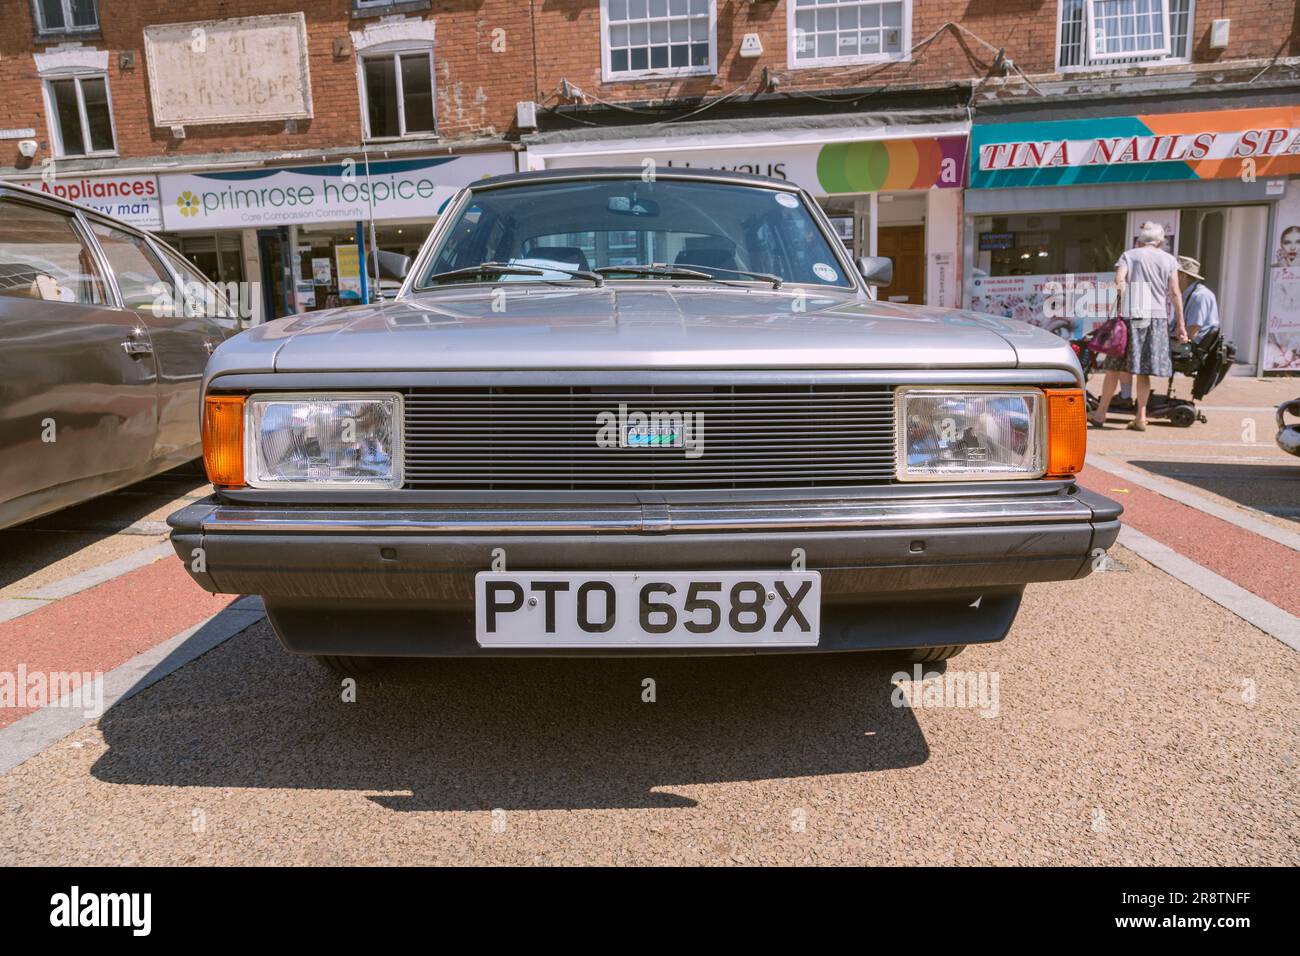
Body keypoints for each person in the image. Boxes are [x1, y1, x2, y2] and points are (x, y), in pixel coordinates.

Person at [1089, 221, 1188, 431]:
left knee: (1114, 369)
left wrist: (1126, 297)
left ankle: (1100, 413)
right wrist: (1181, 325)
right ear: (1161, 241)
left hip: (1130, 317)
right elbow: (1175, 292)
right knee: (1143, 371)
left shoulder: (1130, 255)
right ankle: (1141, 417)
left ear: (1140, 239)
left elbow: (1119, 279)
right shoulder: (1169, 260)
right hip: (1156, 319)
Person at [1176, 255, 1220, 343]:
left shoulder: (1199, 296)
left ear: (1183, 276)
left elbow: (1192, 333)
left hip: (1192, 350)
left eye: (1173, 274)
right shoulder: (1187, 294)